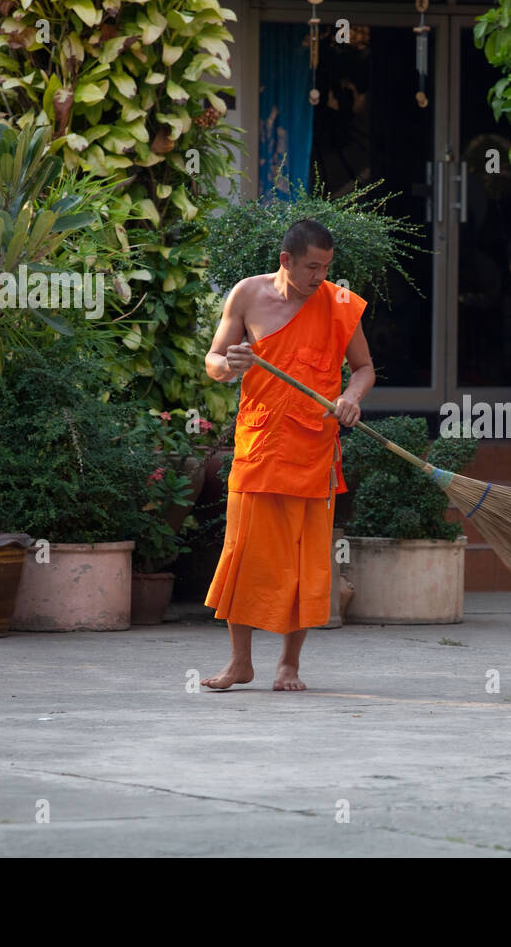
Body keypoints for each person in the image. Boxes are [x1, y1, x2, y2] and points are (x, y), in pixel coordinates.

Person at [201, 219, 375, 691]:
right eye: (312, 267)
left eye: (326, 267)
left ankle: (289, 666)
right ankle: (240, 662)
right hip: (259, 446)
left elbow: (363, 369)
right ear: (286, 261)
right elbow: (213, 361)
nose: (321, 277)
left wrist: (352, 399)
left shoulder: (339, 304)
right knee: (243, 555)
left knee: (304, 563)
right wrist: (228, 365)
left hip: (314, 450)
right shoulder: (247, 295)